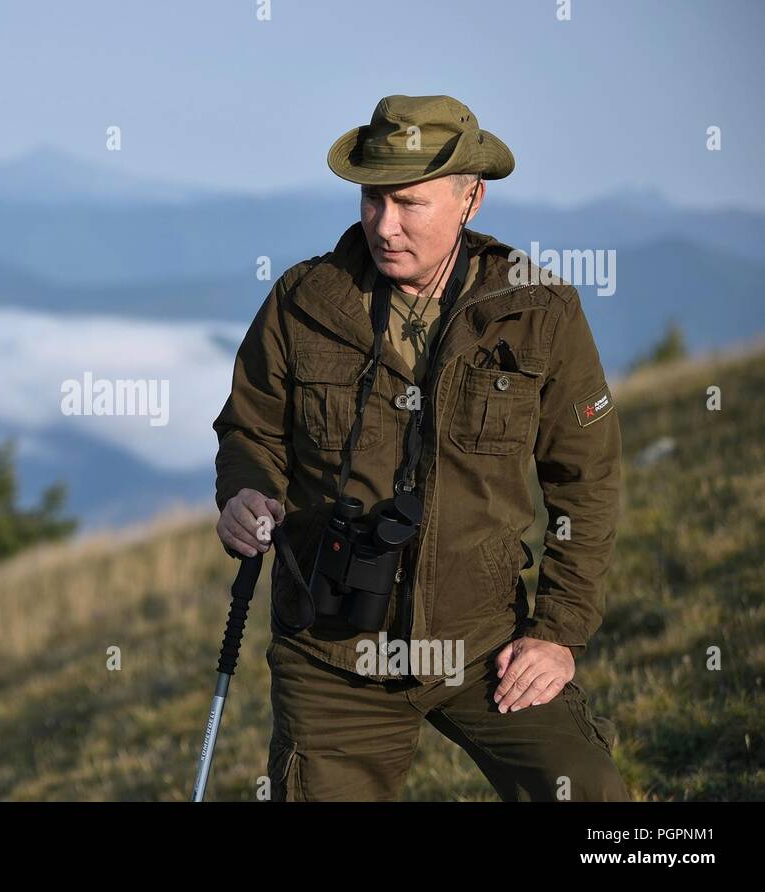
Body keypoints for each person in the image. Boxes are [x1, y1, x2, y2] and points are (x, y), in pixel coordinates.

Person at [211, 94, 627, 801]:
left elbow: (586, 481)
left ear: (472, 198)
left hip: (486, 645)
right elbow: (249, 429)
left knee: (590, 796)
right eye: (373, 199)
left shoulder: (538, 310)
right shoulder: (304, 300)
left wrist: (558, 632)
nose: (384, 224)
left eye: (409, 202)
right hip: (332, 651)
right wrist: (244, 493)